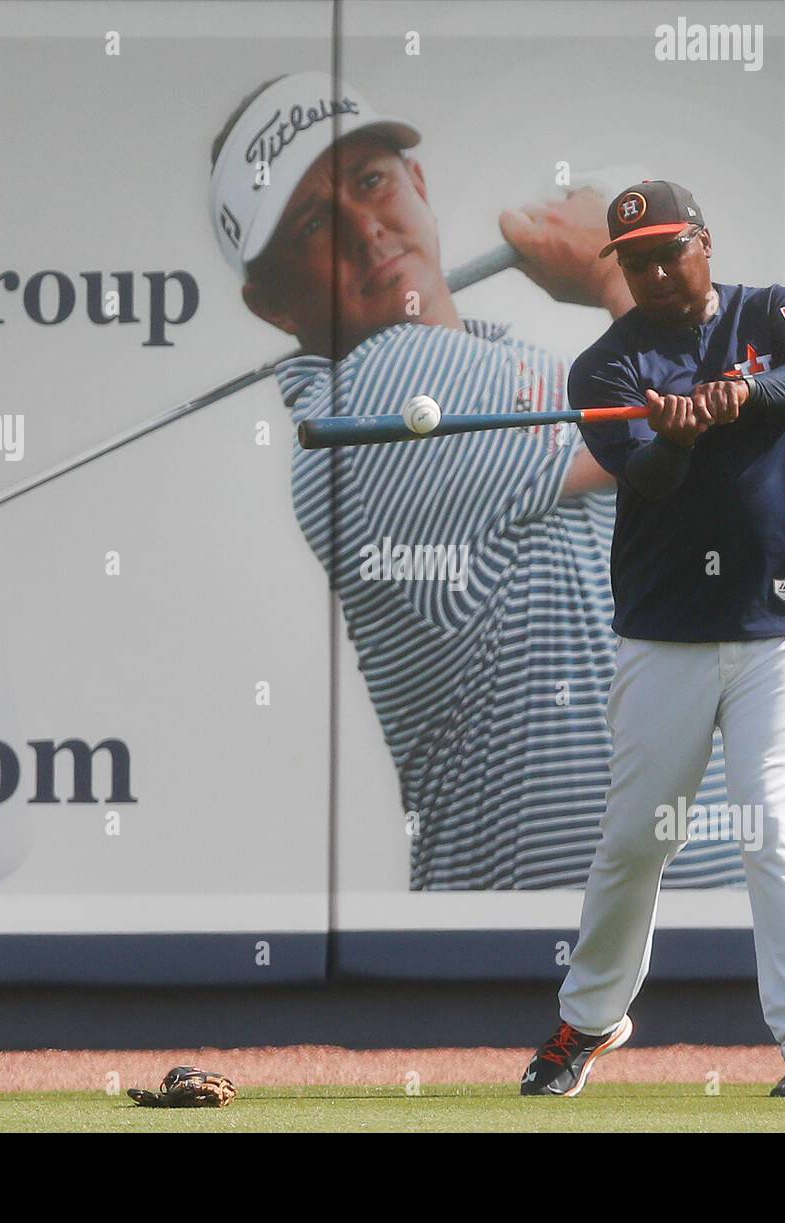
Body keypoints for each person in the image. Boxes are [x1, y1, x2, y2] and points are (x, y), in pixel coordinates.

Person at [209, 74, 742, 890]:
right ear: (270, 303)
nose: (366, 229)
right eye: (315, 223)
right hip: (541, 943)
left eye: (371, 181)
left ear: (416, 185)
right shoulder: (369, 401)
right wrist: (614, 266)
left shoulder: (502, 365)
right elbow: (702, 412)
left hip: (664, 933)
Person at [520, 180, 785, 1096]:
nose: (658, 271)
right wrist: (673, 432)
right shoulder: (607, 367)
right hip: (666, 626)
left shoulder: (769, 309)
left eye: (672, 250)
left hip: (780, 617)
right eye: (637, 260)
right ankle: (588, 1021)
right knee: (635, 834)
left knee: (772, 819)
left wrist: (738, 393)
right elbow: (653, 480)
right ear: (620, 270)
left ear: (705, 243)